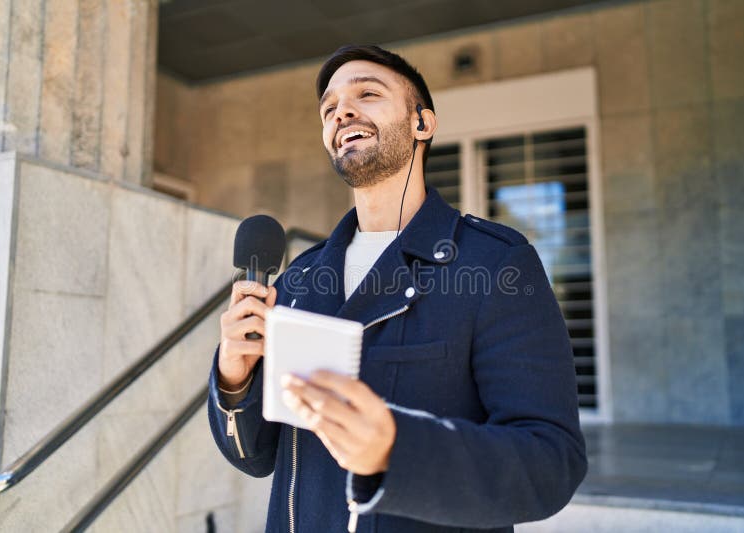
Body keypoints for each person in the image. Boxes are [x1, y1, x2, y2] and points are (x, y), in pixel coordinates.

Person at [207, 45, 587, 533]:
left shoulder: (495, 263)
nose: (342, 111)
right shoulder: (300, 278)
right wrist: (234, 378)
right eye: (329, 108)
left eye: (368, 93)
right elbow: (256, 458)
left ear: (422, 124)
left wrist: (396, 451)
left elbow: (550, 463)